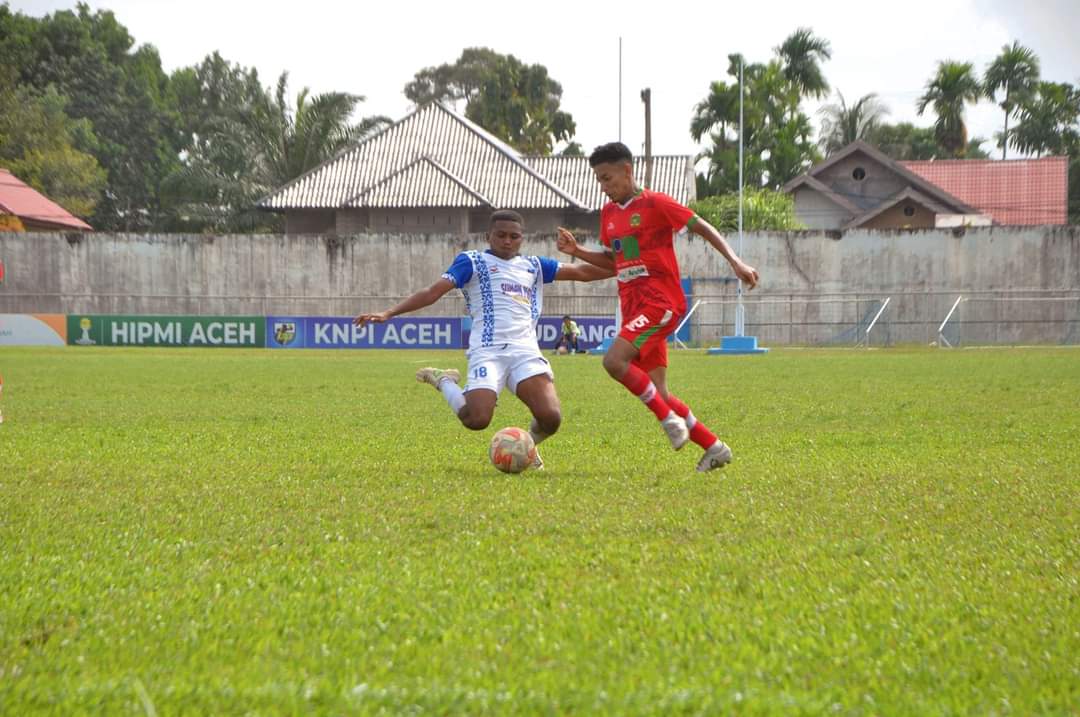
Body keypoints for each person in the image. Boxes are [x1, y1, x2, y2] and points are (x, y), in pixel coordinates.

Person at [556, 142, 760, 472]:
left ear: (627, 170)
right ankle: (714, 447)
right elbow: (613, 263)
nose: (605, 188)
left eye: (608, 179)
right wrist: (577, 251)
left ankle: (668, 421)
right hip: (634, 308)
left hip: (661, 303)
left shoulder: (656, 204)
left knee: (613, 360)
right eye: (600, 181)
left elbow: (702, 226)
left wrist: (735, 262)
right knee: (660, 392)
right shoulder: (608, 215)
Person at [354, 209, 612, 469]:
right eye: (501, 235)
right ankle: (444, 380)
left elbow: (584, 273)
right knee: (476, 419)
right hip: (488, 351)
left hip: (525, 352)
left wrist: (624, 264)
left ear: (522, 239)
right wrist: (389, 312)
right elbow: (433, 291)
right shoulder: (472, 261)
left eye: (514, 236)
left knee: (551, 418)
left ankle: (525, 448)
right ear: (488, 236)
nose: (507, 241)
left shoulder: (534, 266)